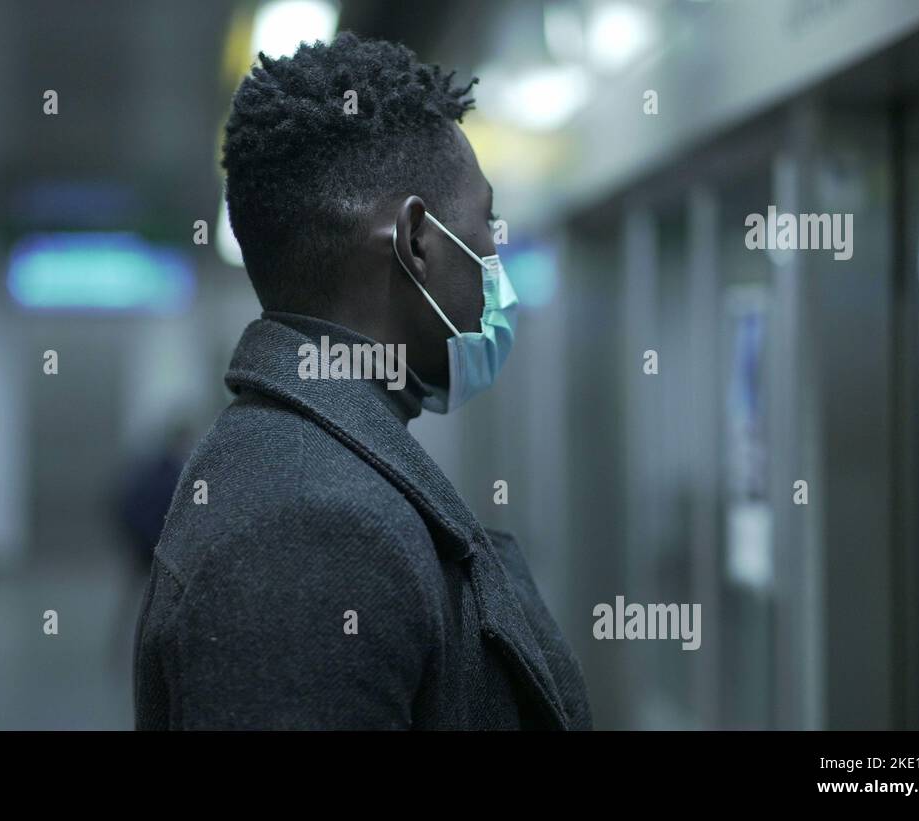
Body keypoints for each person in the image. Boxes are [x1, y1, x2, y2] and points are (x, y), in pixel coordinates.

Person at [133, 32, 591, 730]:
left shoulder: (301, 459)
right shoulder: (307, 528)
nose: (497, 254)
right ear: (416, 241)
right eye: (486, 222)